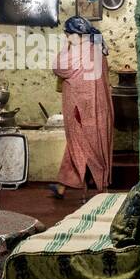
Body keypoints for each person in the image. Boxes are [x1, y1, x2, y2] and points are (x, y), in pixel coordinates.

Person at [49, 16, 113, 199]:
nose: (67, 38)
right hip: (99, 107)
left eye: (67, 34)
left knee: (84, 144)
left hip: (80, 108)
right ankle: (63, 186)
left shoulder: (75, 53)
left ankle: (100, 187)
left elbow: (57, 67)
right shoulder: (99, 49)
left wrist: (67, 47)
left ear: (75, 34)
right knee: (90, 142)